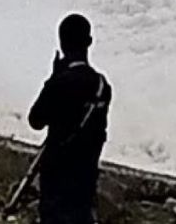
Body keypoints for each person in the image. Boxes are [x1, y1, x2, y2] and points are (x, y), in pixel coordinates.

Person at [28, 13, 112, 224]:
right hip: (85, 183)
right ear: (89, 42)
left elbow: (35, 120)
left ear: (61, 43)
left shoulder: (60, 83)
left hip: (56, 183)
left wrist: (53, 78)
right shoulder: (102, 87)